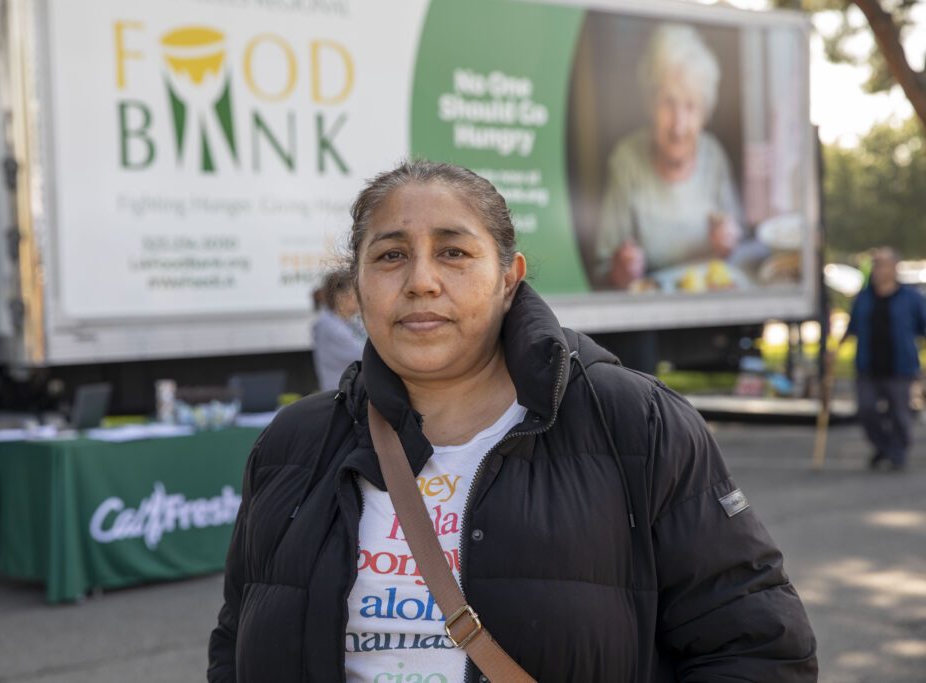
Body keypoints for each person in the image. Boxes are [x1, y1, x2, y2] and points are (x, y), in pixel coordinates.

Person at [208, 160, 816, 681]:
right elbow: (235, 650)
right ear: (358, 287)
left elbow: (757, 650)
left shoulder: (636, 423)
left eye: (453, 252)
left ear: (508, 278)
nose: (421, 281)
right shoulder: (292, 444)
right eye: (391, 255)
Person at [596, 23, 743, 290]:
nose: (678, 125)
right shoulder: (626, 160)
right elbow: (603, 270)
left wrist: (728, 241)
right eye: (668, 103)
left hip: (707, 308)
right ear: (650, 103)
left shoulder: (714, 157)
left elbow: (737, 248)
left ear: (705, 112)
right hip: (646, 319)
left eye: (690, 106)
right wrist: (620, 271)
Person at [841, 248, 926, 471]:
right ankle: (883, 446)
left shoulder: (911, 297)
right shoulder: (864, 297)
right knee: (866, 409)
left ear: (894, 268)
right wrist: (834, 350)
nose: (878, 270)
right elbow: (852, 327)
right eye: (875, 265)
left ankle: (897, 452)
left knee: (900, 413)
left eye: (882, 265)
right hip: (868, 365)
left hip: (900, 366)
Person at [312, 268, 366, 392]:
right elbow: (365, 354)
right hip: (340, 397)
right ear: (340, 296)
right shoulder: (329, 326)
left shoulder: (348, 323)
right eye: (356, 292)